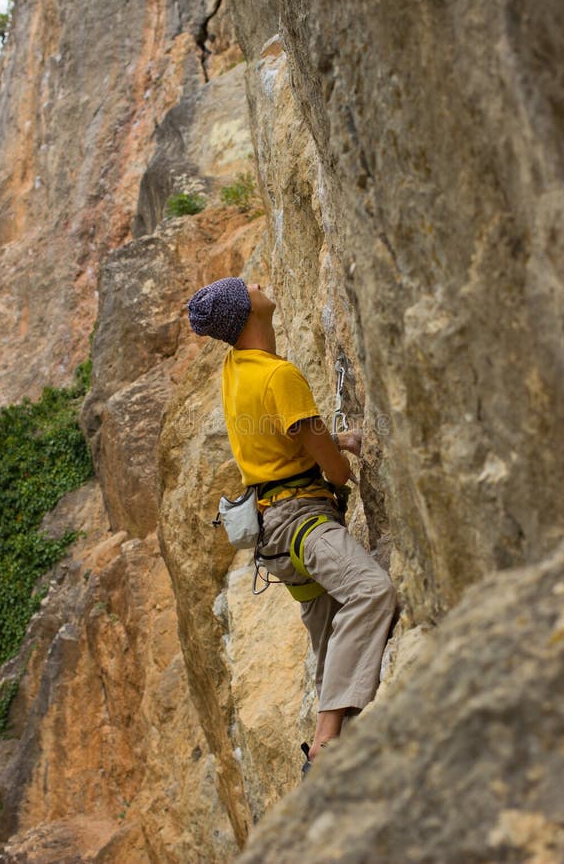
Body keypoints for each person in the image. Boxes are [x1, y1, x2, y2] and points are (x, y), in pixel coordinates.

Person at [187, 276, 396, 769]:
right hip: (301, 521)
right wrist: (342, 457)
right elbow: (335, 470)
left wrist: (334, 439)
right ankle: (326, 742)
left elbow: (282, 436)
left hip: (274, 535)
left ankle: (328, 762)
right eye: (249, 286)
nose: (258, 282)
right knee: (371, 592)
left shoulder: (236, 368)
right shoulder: (278, 376)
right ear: (249, 313)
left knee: (328, 633)